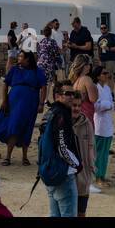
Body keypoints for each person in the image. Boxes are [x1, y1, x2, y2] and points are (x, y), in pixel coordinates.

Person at [0, 50, 47, 166]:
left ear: (28, 59)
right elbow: (5, 84)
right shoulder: (14, 69)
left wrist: (41, 103)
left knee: (27, 127)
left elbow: (43, 87)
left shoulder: (37, 71)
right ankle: (8, 156)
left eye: (21, 56)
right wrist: (4, 100)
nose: (19, 58)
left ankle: (25, 157)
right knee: (13, 126)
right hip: (14, 102)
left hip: (30, 102)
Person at [42, 82, 83, 217]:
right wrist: (77, 165)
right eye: (68, 94)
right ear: (57, 96)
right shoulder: (61, 115)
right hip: (62, 174)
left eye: (73, 93)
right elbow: (62, 146)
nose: (72, 97)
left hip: (50, 170)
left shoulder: (50, 113)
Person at [71, 86, 96, 216]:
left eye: (79, 105)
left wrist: (90, 169)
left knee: (81, 212)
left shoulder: (87, 124)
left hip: (83, 177)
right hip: (68, 178)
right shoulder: (61, 123)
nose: (76, 108)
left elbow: (91, 147)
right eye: (73, 105)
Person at [91, 65, 115, 188]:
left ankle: (102, 175)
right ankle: (97, 176)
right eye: (104, 73)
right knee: (99, 152)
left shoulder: (106, 88)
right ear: (98, 76)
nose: (107, 75)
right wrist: (108, 105)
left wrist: (108, 105)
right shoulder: (95, 88)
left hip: (108, 122)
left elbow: (112, 103)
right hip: (99, 124)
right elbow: (96, 106)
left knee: (105, 153)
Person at [35, 24, 61, 103]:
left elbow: (38, 52)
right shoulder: (52, 42)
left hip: (40, 63)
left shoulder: (41, 41)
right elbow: (56, 53)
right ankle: (45, 99)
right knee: (48, 82)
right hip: (49, 64)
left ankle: (39, 98)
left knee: (39, 81)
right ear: (50, 33)